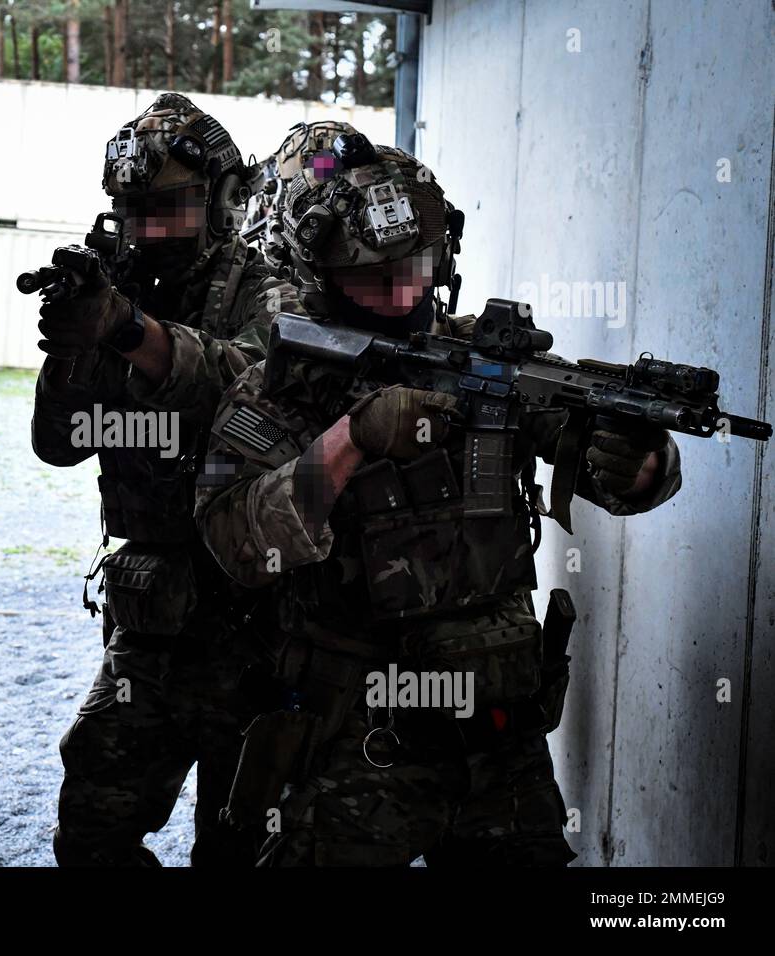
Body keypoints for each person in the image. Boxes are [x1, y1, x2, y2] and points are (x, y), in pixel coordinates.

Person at [194, 125, 682, 866]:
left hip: (501, 740)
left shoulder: (488, 363)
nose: (400, 296)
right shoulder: (282, 386)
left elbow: (616, 473)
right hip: (357, 747)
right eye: (371, 279)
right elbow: (236, 540)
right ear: (319, 278)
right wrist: (351, 438)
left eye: (415, 268)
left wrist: (643, 463)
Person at [30, 93, 301, 866]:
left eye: (171, 209)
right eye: (134, 211)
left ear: (220, 203)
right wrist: (75, 350)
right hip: (149, 626)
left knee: (242, 847)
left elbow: (259, 385)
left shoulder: (266, 290)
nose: (150, 230)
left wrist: (129, 334)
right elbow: (58, 444)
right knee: (91, 833)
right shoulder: (112, 290)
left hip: (260, 626)